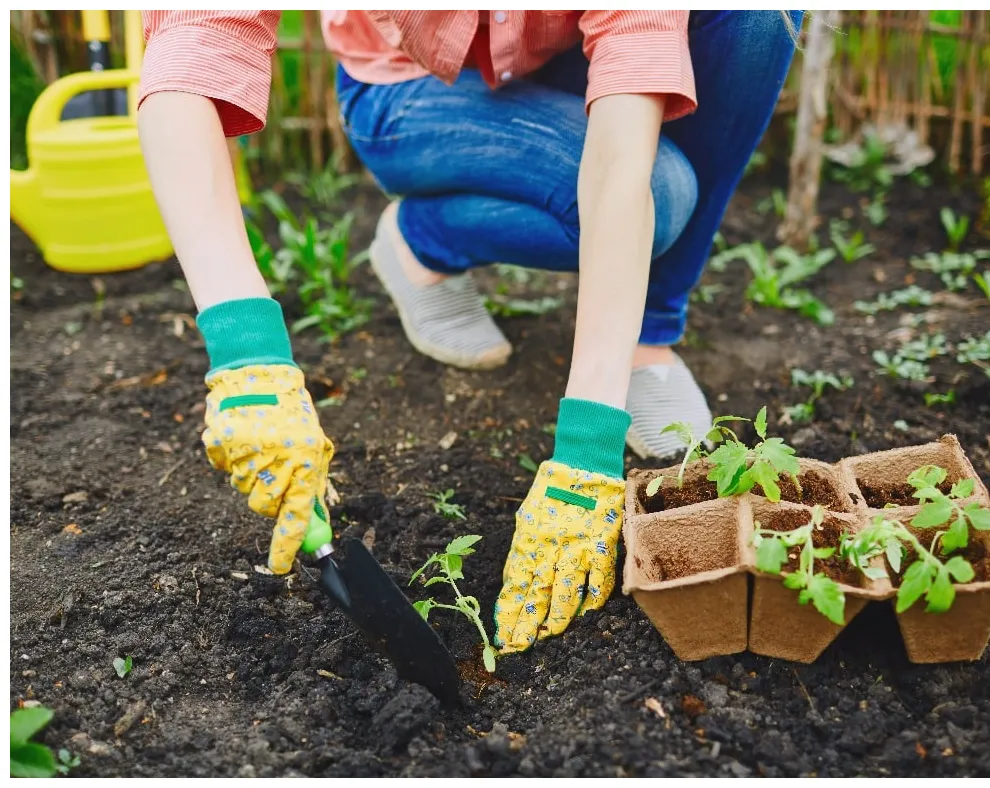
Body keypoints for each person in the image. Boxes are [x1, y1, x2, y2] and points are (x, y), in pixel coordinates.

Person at [137, 10, 801, 654]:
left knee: (753, 21)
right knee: (667, 190)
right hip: (408, 89)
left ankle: (643, 335)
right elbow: (192, 44)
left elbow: (622, 157)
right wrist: (245, 351)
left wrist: (587, 446)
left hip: (558, 63)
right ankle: (422, 241)